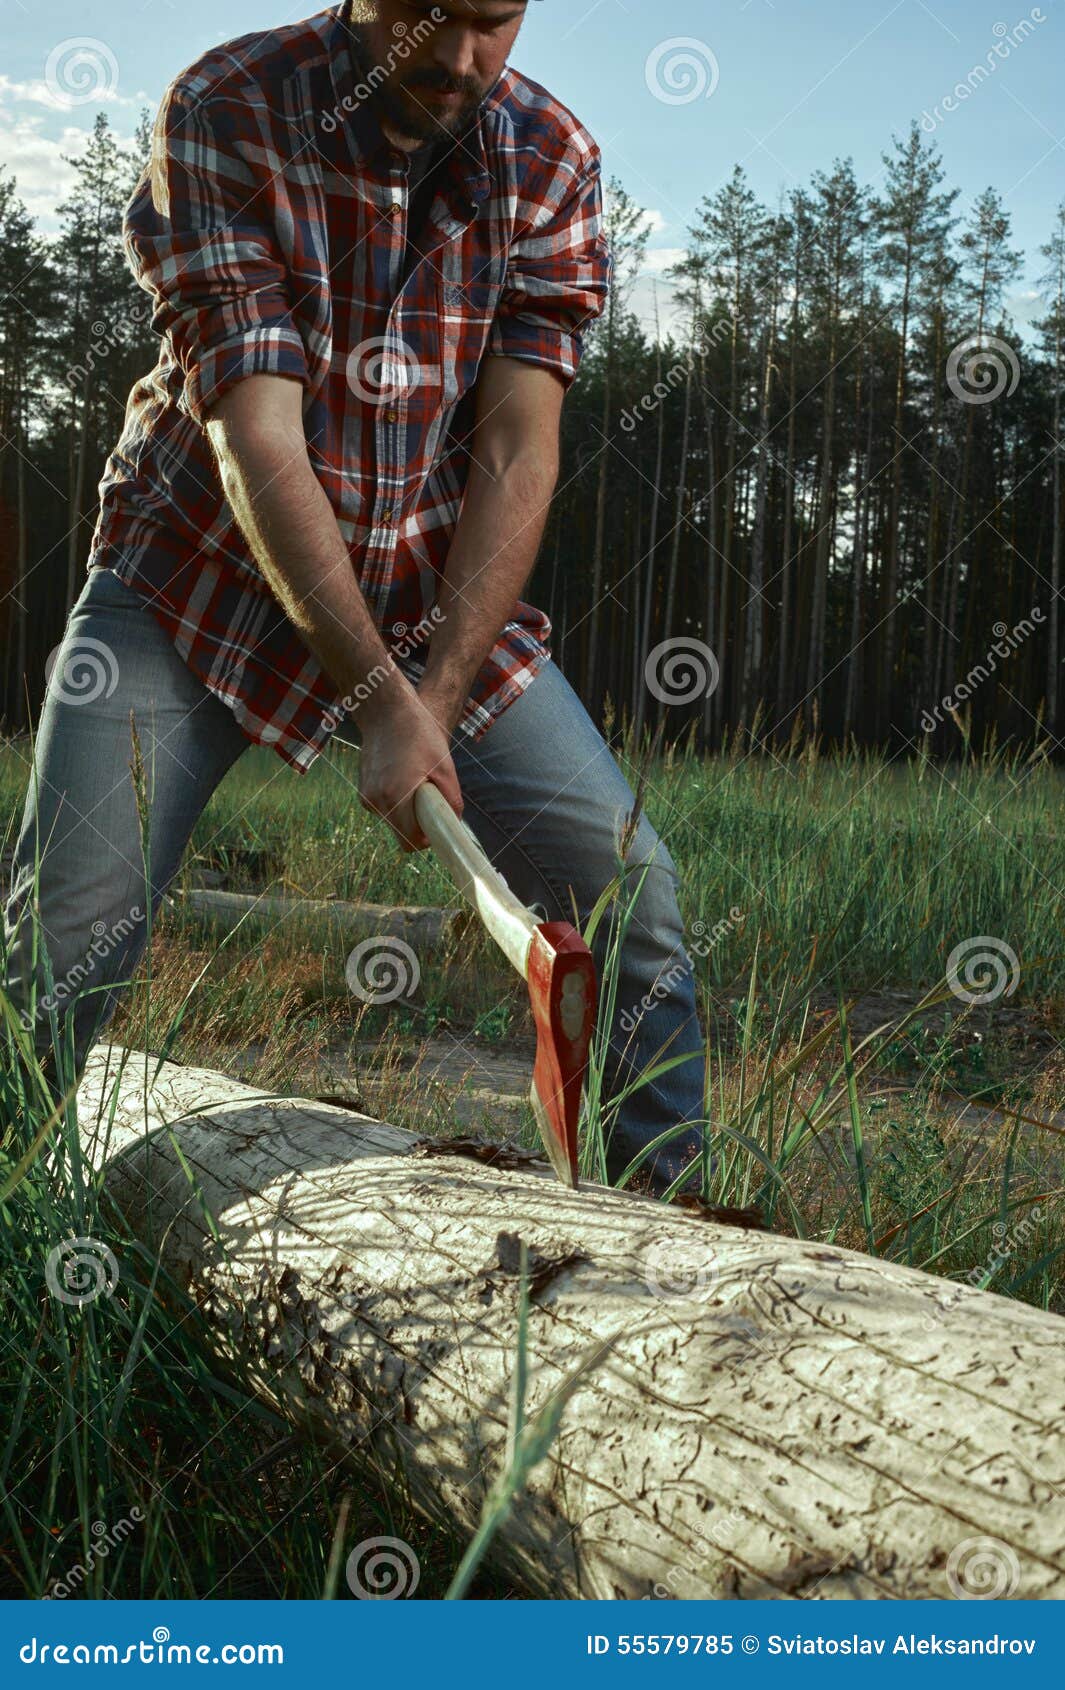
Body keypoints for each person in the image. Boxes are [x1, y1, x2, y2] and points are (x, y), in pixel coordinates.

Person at [3, 1, 707, 1192]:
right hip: (196, 584)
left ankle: (682, 1269)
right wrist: (380, 698)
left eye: (493, 20)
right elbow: (258, 439)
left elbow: (517, 451)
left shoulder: (551, 157)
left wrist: (429, 684)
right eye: (431, 11)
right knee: (68, 930)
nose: (462, 55)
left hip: (435, 589)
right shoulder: (226, 109)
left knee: (635, 897)